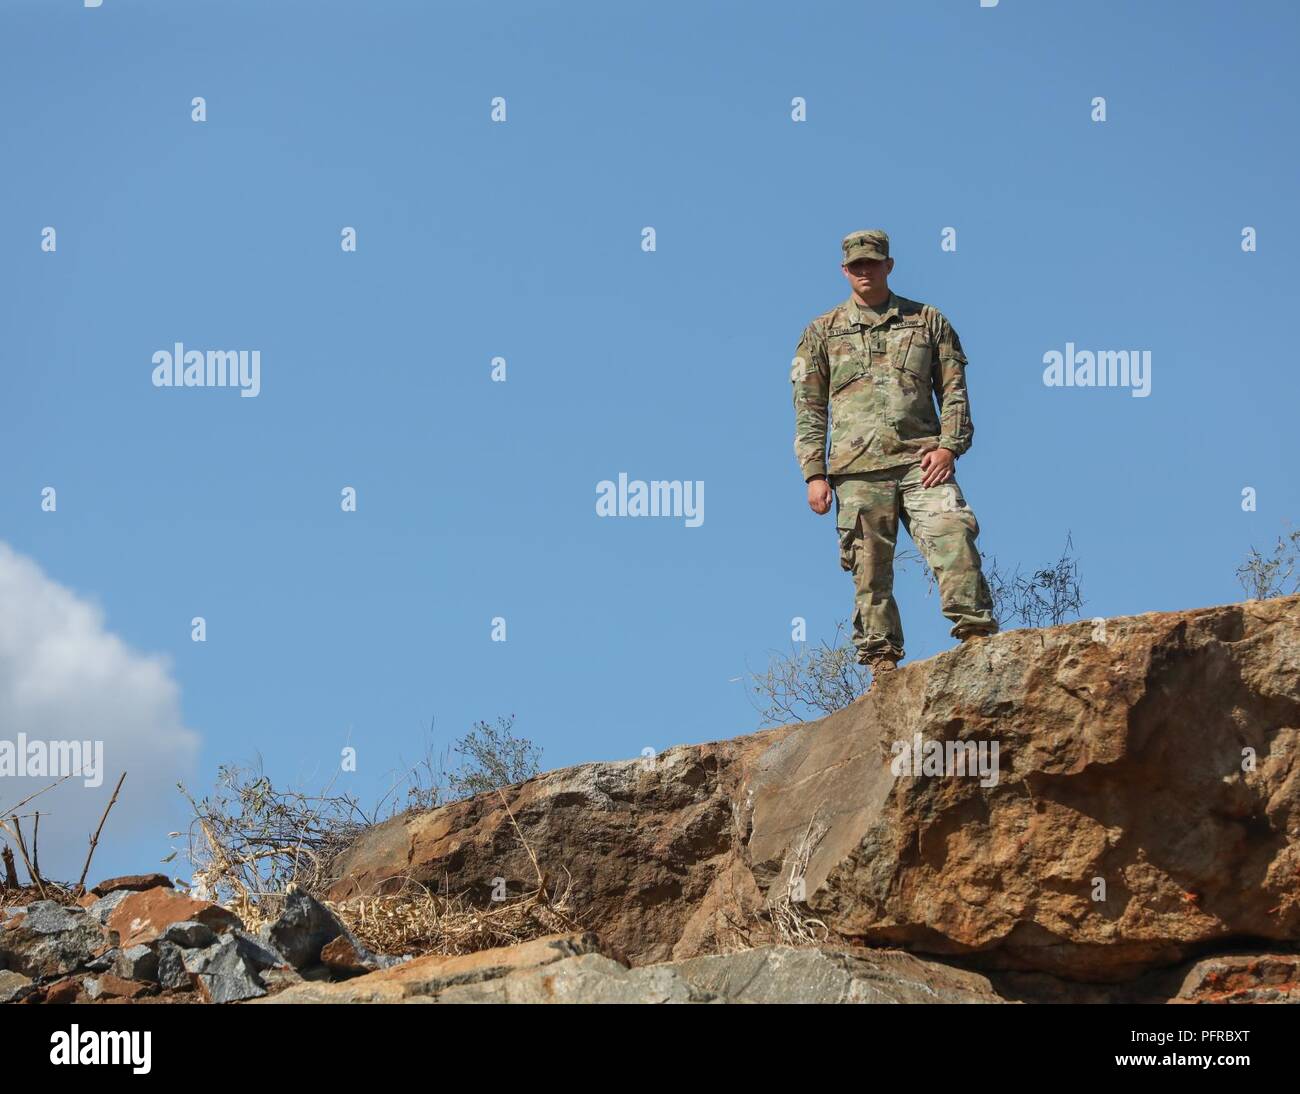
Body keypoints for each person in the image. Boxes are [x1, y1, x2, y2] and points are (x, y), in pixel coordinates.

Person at [791, 229, 998, 680]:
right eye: (856, 265)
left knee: (953, 534)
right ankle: (882, 663)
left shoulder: (927, 320)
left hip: (922, 461)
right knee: (869, 568)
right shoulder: (820, 333)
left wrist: (949, 445)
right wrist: (814, 474)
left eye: (873, 263)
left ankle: (976, 637)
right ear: (845, 271)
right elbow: (809, 408)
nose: (865, 271)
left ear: (889, 265)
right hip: (856, 470)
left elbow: (955, 390)